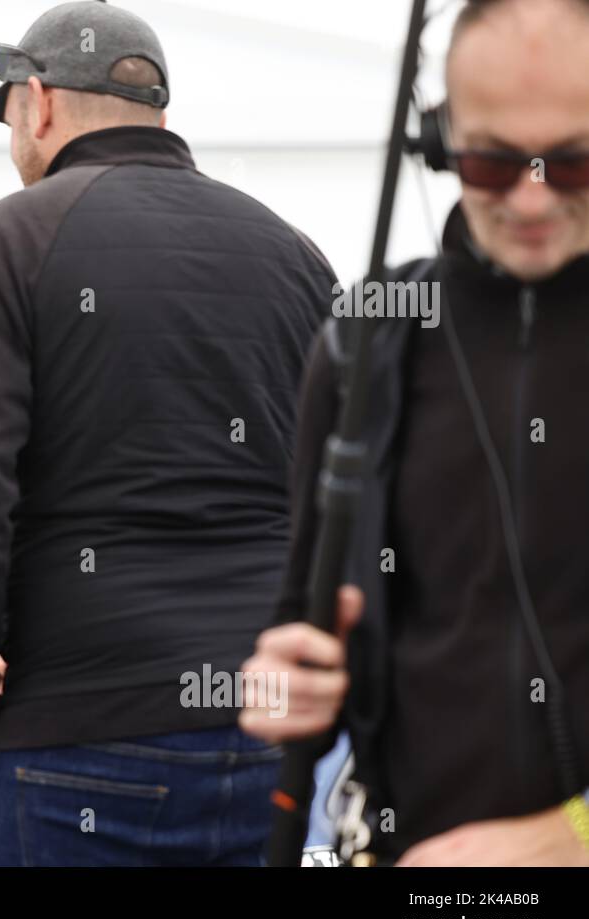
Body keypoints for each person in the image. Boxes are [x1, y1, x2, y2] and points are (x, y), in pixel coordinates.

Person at [0, 1, 334, 866]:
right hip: (271, 734)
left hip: (77, 738)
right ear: (160, 114)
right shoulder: (295, 255)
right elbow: (341, 496)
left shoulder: (6, 242)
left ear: (39, 102)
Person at [240, 0, 589, 867]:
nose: (533, 197)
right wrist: (287, 681)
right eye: (492, 160)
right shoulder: (368, 340)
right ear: (439, 141)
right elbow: (301, 623)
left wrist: (568, 838)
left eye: (576, 160)